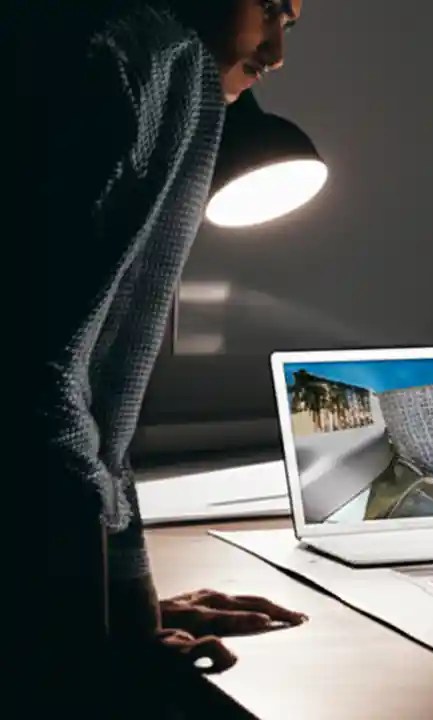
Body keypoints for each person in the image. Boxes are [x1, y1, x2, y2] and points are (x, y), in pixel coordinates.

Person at [35, 0, 309, 710]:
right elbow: (45, 380)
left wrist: (125, 587)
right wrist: (102, 625)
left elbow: (98, 394)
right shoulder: (149, 60)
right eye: (272, 10)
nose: (275, 52)